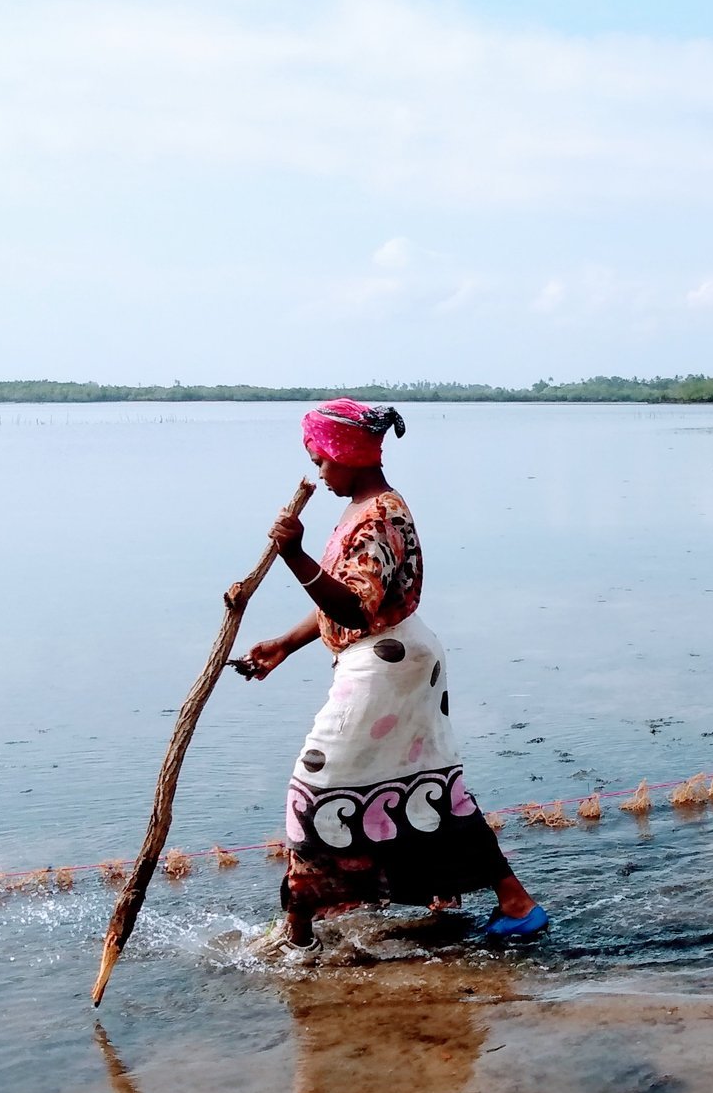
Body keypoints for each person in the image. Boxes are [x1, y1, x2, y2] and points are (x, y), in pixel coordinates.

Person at [234, 399, 548, 946]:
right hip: (397, 657)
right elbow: (348, 599)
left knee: (316, 787)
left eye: (323, 460)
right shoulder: (363, 507)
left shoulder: (378, 514)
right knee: (427, 789)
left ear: (348, 456)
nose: (319, 473)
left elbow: (357, 607)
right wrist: (285, 643)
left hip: (384, 666)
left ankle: (299, 931)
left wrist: (296, 557)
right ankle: (512, 901)